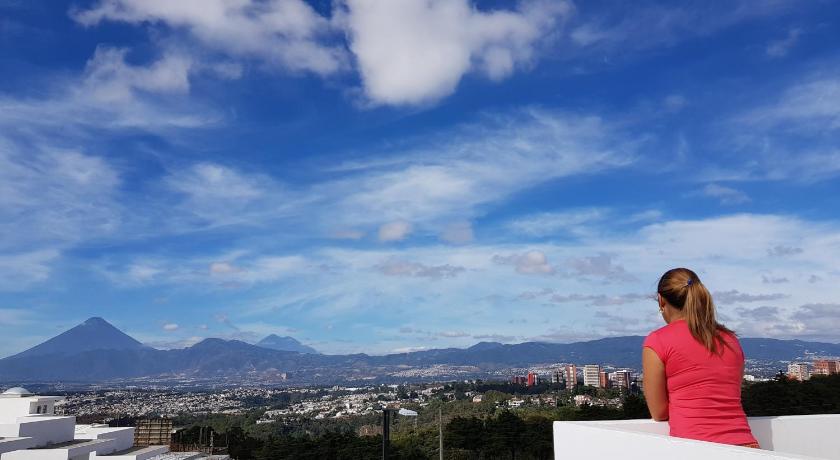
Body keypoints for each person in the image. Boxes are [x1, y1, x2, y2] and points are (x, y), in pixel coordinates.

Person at [642, 268, 759, 448]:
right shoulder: (730, 340)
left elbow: (659, 412)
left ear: (661, 300)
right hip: (747, 447)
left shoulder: (658, 341)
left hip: (697, 448)